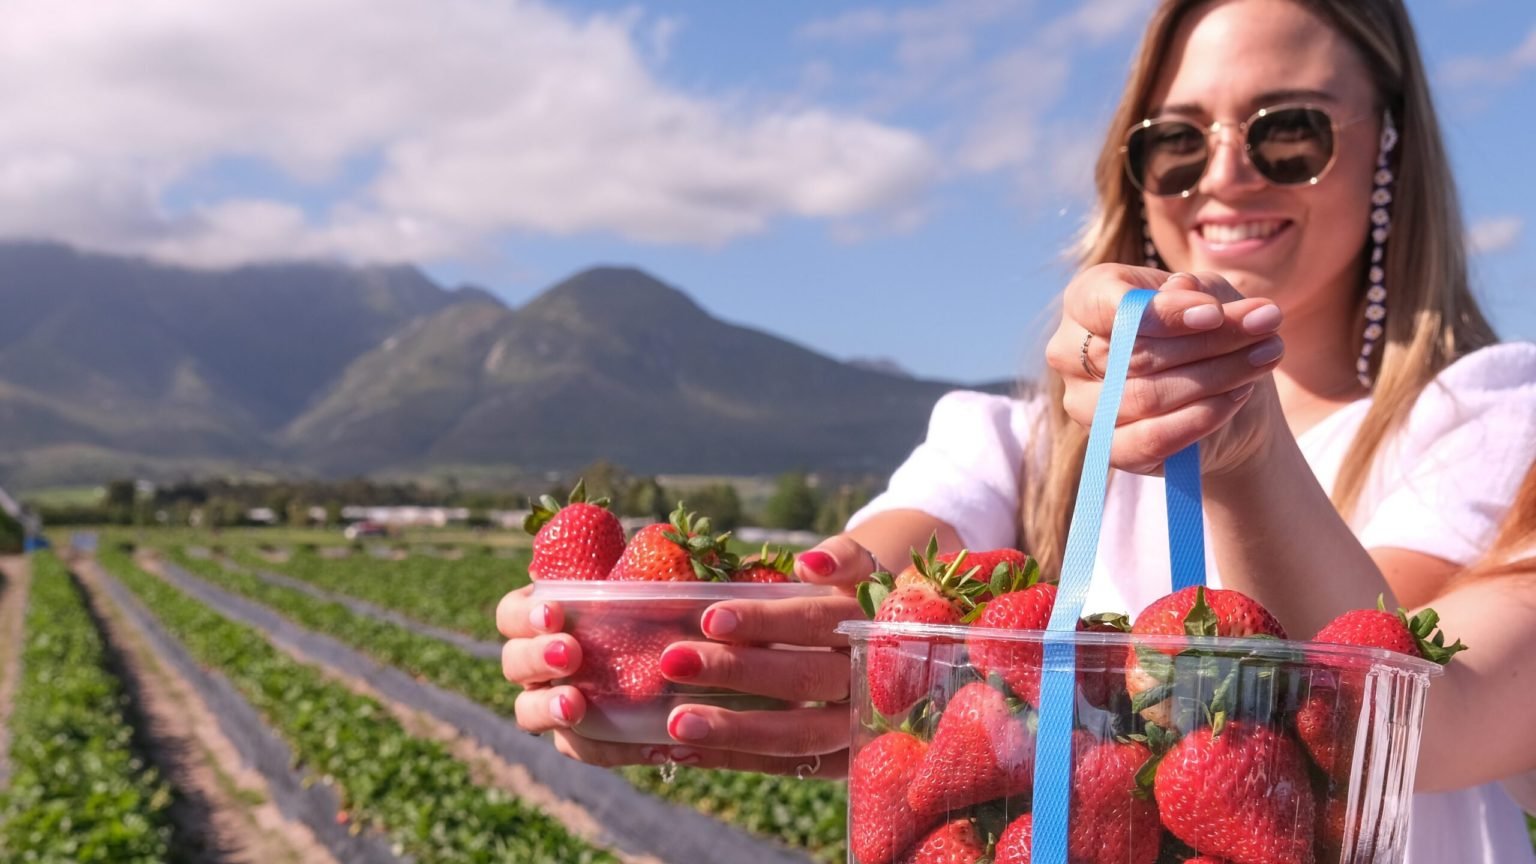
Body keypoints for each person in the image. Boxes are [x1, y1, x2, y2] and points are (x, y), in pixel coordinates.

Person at [498, 0, 1536, 860]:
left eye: (1288, 129)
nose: (1224, 174)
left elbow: (1415, 717)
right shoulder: (1018, 447)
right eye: (1175, 142)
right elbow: (874, 589)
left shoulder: (1500, 422)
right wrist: (680, 647)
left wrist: (1243, 452)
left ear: (1390, 143)